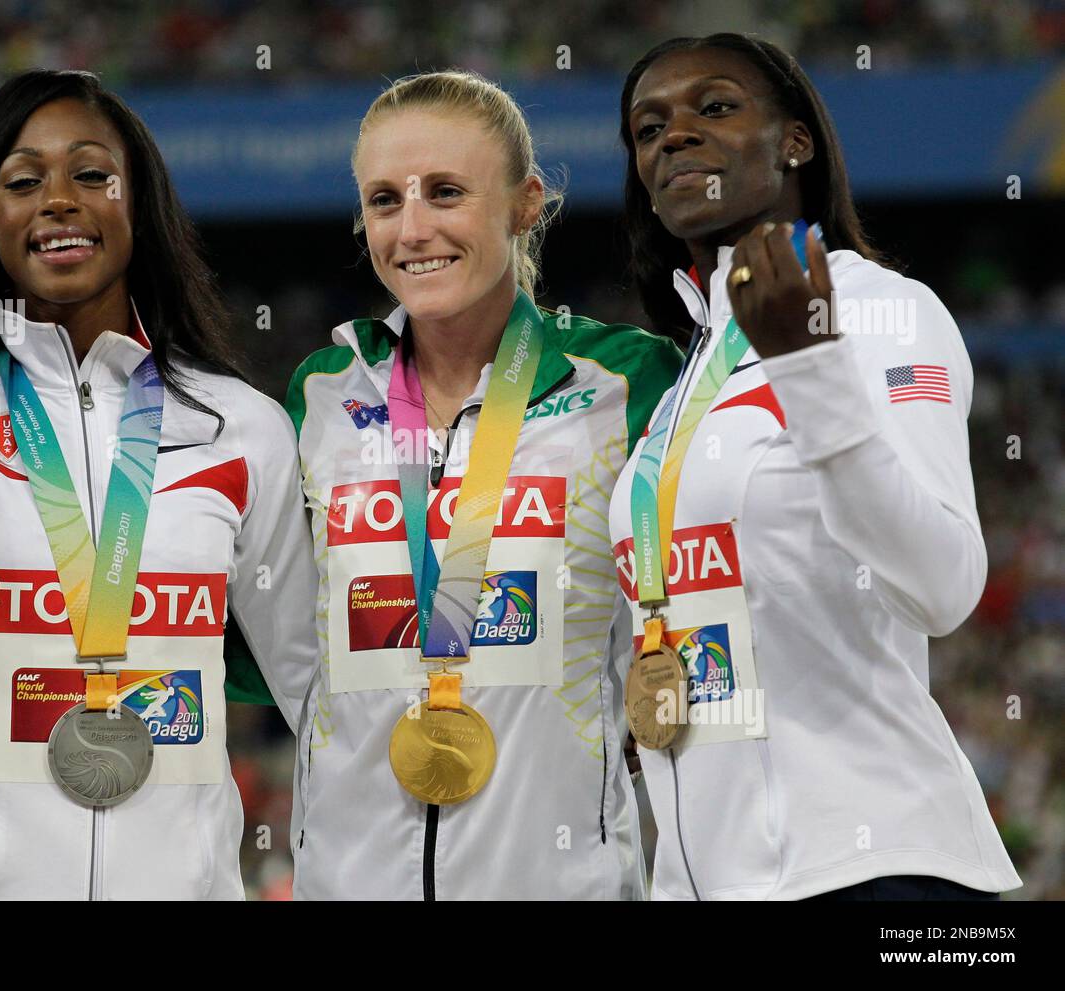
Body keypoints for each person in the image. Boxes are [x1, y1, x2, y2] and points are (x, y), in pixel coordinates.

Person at [0, 69, 317, 900]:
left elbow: (313, 685)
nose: (60, 200)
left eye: (92, 174)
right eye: (24, 180)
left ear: (137, 206)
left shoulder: (238, 426)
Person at [608, 33, 1021, 900]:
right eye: (648, 129)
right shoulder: (687, 376)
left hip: (881, 869)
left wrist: (812, 369)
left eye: (714, 107)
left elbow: (945, 586)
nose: (673, 136)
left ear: (795, 141)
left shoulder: (885, 313)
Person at [284, 69, 682, 900]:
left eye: (447, 192)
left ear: (525, 202)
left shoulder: (628, 382)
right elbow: (280, 643)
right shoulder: (322, 392)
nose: (413, 227)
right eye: (385, 199)